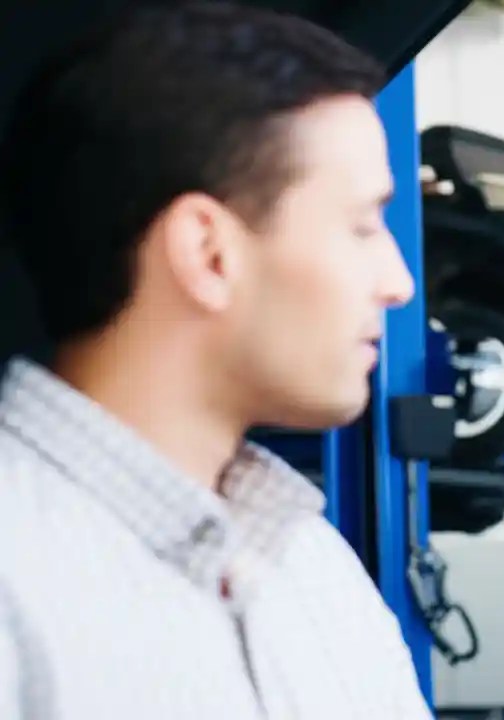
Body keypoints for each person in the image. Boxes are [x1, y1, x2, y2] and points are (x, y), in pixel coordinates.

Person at [0, 3, 431, 718]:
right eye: (361, 225)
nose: (398, 282)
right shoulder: (21, 578)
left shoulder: (314, 570)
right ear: (208, 252)